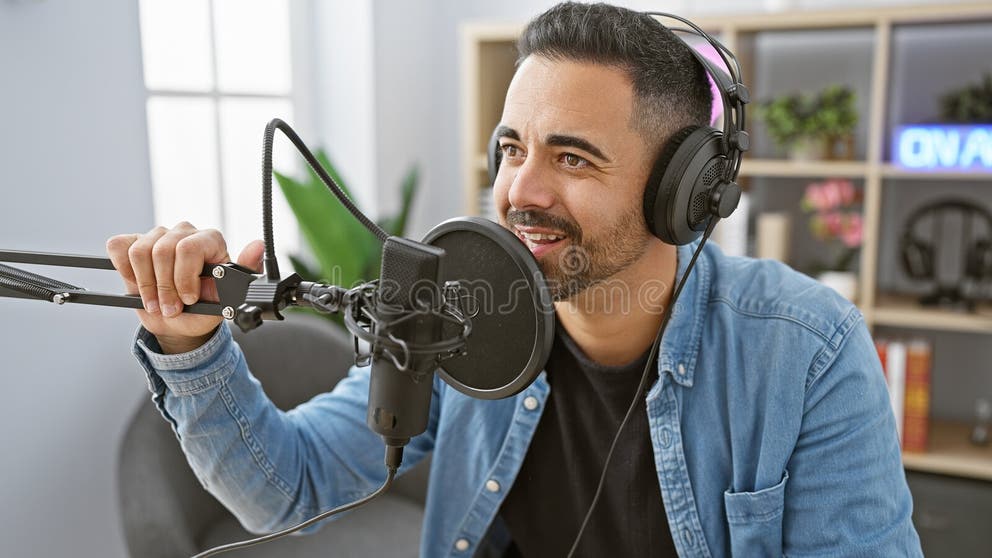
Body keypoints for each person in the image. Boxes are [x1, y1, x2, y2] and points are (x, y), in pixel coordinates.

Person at [107, 3, 922, 556]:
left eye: (571, 157)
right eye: (510, 148)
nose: (518, 191)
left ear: (683, 192)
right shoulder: (462, 308)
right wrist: (191, 344)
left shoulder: (806, 354)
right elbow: (290, 486)